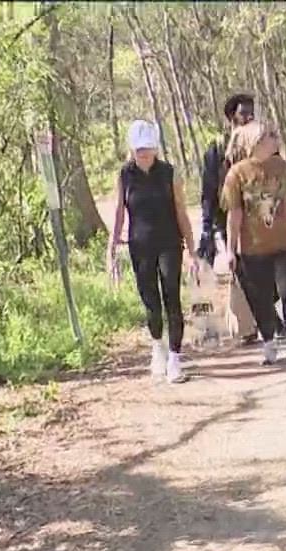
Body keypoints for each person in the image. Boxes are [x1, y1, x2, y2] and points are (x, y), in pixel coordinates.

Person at [108, 120, 198, 385]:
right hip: (140, 245)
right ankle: (157, 345)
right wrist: (112, 246)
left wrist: (192, 249)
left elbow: (181, 211)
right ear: (132, 151)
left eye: (147, 148)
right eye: (139, 150)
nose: (143, 153)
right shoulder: (125, 175)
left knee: (171, 295)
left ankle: (175, 358)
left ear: (156, 148)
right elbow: (118, 212)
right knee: (151, 301)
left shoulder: (169, 173)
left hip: (169, 242)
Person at [222, 121, 286, 367]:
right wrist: (231, 249)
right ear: (256, 142)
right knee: (261, 298)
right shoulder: (237, 174)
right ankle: (269, 343)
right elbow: (235, 214)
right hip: (253, 248)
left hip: (285, 244)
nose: (276, 139)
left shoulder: (285, 169)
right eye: (270, 136)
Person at [200, 93, 260, 346]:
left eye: (251, 113)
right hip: (228, 217)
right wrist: (208, 227)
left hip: (260, 216)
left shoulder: (262, 144)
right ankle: (247, 325)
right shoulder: (216, 149)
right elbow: (208, 190)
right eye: (242, 114)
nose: (247, 118)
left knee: (263, 268)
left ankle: (264, 317)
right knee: (241, 269)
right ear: (231, 118)